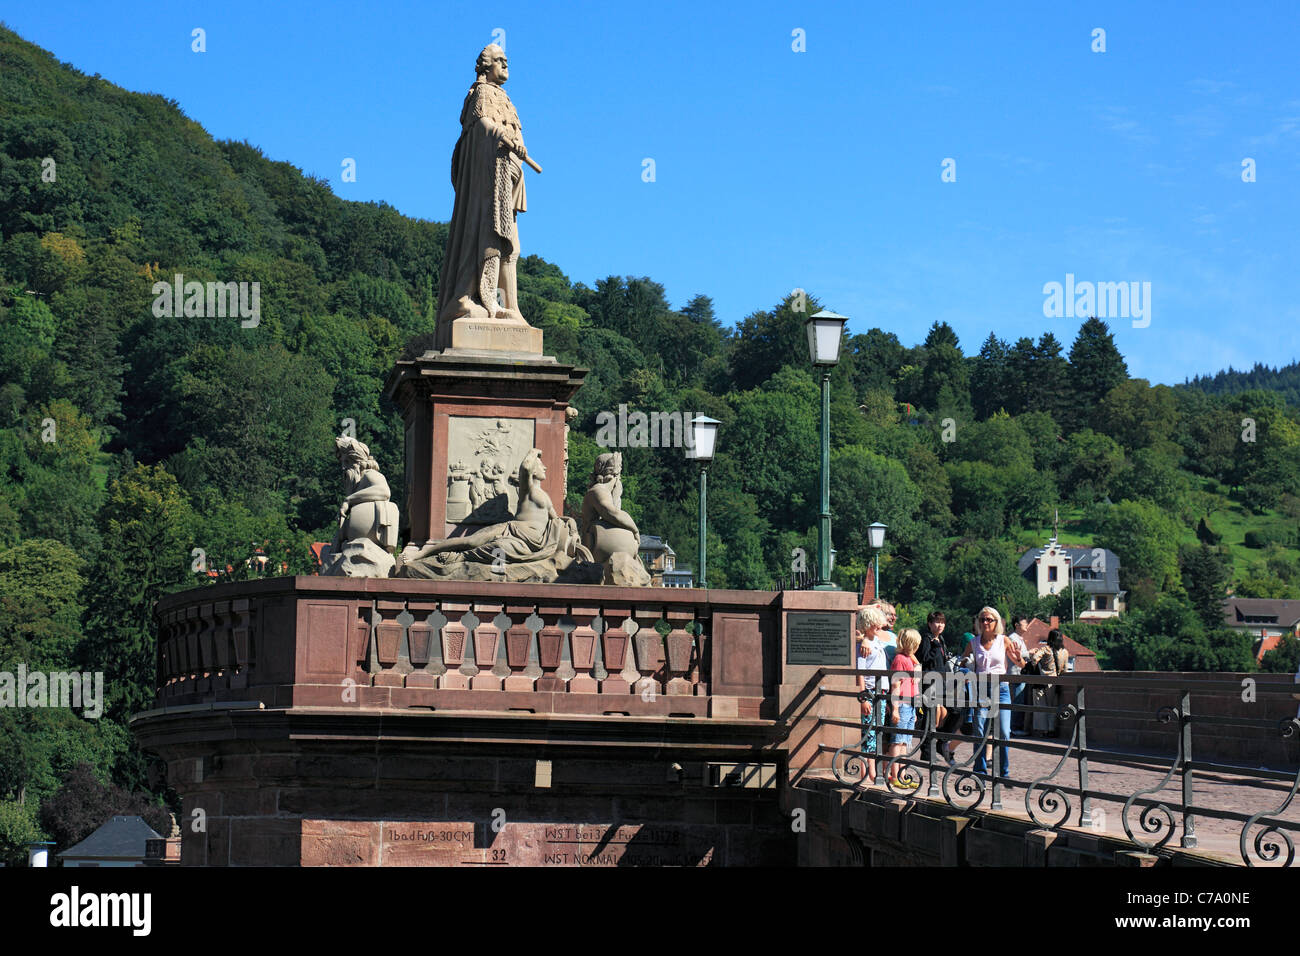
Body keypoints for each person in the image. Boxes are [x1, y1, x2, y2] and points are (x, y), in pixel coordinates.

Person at [436, 44, 532, 346]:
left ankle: (510, 307)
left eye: (507, 60)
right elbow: (478, 128)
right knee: (485, 238)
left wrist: (518, 141)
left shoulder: (506, 99)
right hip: (487, 185)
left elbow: (515, 131)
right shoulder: (480, 93)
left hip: (508, 179)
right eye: (499, 60)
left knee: (511, 247)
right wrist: (498, 134)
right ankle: (467, 298)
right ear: (485, 65)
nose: (506, 64)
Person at [968, 607, 1023, 778]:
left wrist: (1019, 657)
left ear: (996, 622)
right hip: (982, 689)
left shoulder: (1003, 640)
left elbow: (1021, 665)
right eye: (982, 619)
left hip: (1001, 689)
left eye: (989, 619)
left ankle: (1003, 771)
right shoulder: (973, 642)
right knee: (980, 732)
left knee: (1004, 732)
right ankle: (979, 772)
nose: (985, 622)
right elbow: (963, 662)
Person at [917, 611, 961, 765]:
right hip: (930, 682)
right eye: (936, 622)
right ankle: (927, 752)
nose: (940, 625)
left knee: (956, 710)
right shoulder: (927, 639)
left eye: (942, 622)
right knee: (930, 717)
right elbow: (922, 658)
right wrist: (935, 647)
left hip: (943, 682)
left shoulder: (941, 639)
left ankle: (941, 742)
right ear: (929, 624)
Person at [855, 605, 890, 785]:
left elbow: (885, 623)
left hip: (881, 691)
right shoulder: (863, 645)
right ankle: (866, 773)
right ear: (866, 624)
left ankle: (872, 771)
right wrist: (863, 697)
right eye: (873, 623)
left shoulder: (876, 641)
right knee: (868, 730)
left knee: (876, 729)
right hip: (870, 690)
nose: (878, 625)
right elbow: (860, 671)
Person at [886, 629, 923, 787]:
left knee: (905, 742)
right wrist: (894, 708)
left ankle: (903, 775)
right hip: (902, 704)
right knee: (897, 742)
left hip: (910, 704)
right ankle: (895, 776)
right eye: (916, 644)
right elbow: (895, 684)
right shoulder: (900, 659)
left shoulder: (908, 659)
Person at [1027, 629, 1070, 737]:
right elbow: (1065, 669)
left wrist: (1036, 666)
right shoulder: (1065, 652)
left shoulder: (1046, 649)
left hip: (1042, 681)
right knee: (1053, 706)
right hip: (1055, 682)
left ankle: (1043, 730)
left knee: (1041, 706)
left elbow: (1034, 659)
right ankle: (1052, 729)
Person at [1008, 615, 1031, 736]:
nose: (1027, 624)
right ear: (1016, 625)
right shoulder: (1012, 638)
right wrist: (1030, 653)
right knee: (1017, 701)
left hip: (1019, 673)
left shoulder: (1019, 638)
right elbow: (1015, 654)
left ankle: (1014, 727)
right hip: (1016, 673)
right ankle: (1014, 728)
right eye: (1024, 622)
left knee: (1019, 701)